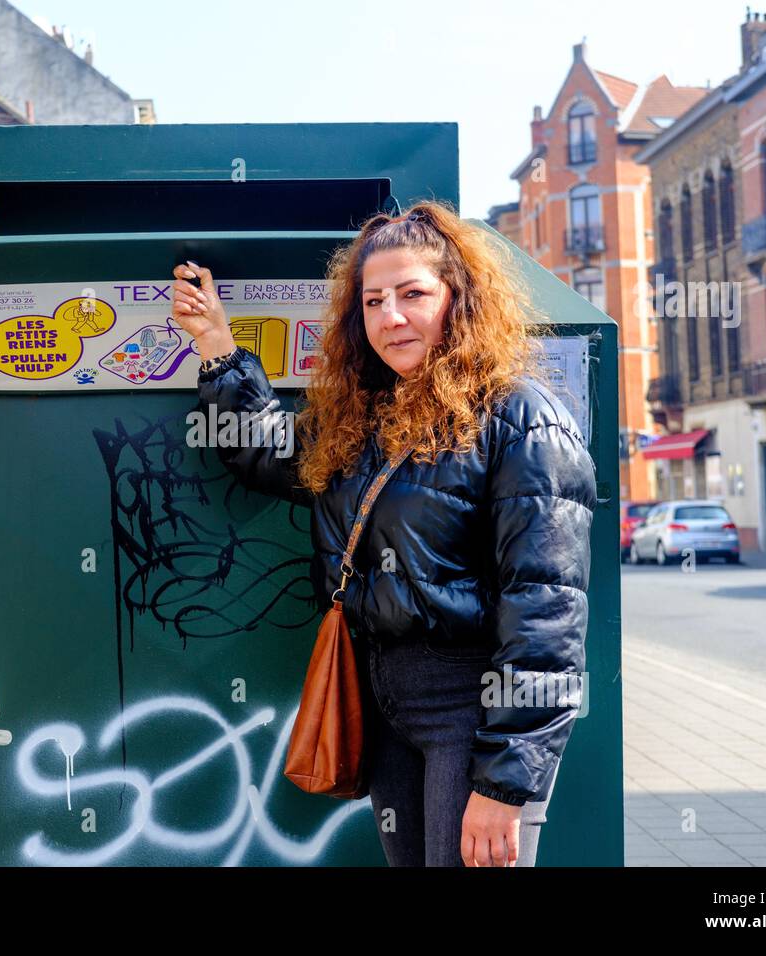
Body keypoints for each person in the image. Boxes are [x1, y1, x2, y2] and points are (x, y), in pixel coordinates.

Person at [173, 200, 596, 867]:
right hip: (387, 708)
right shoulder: (362, 418)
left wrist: (506, 785)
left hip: (471, 708)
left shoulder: (521, 417)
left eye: (412, 294)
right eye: (373, 301)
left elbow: (548, 611)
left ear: (460, 299)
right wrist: (217, 347)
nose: (390, 316)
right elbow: (263, 450)